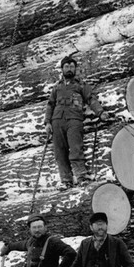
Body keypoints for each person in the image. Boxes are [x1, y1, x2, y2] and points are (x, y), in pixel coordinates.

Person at [45, 55, 105, 188]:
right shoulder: (57, 87)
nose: (69, 69)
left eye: (72, 66)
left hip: (74, 120)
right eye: (66, 66)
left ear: (75, 69)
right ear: (62, 69)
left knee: (75, 149)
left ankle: (81, 176)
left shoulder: (81, 85)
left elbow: (91, 99)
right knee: (60, 152)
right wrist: (47, 122)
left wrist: (100, 112)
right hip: (57, 121)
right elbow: (50, 104)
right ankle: (66, 180)